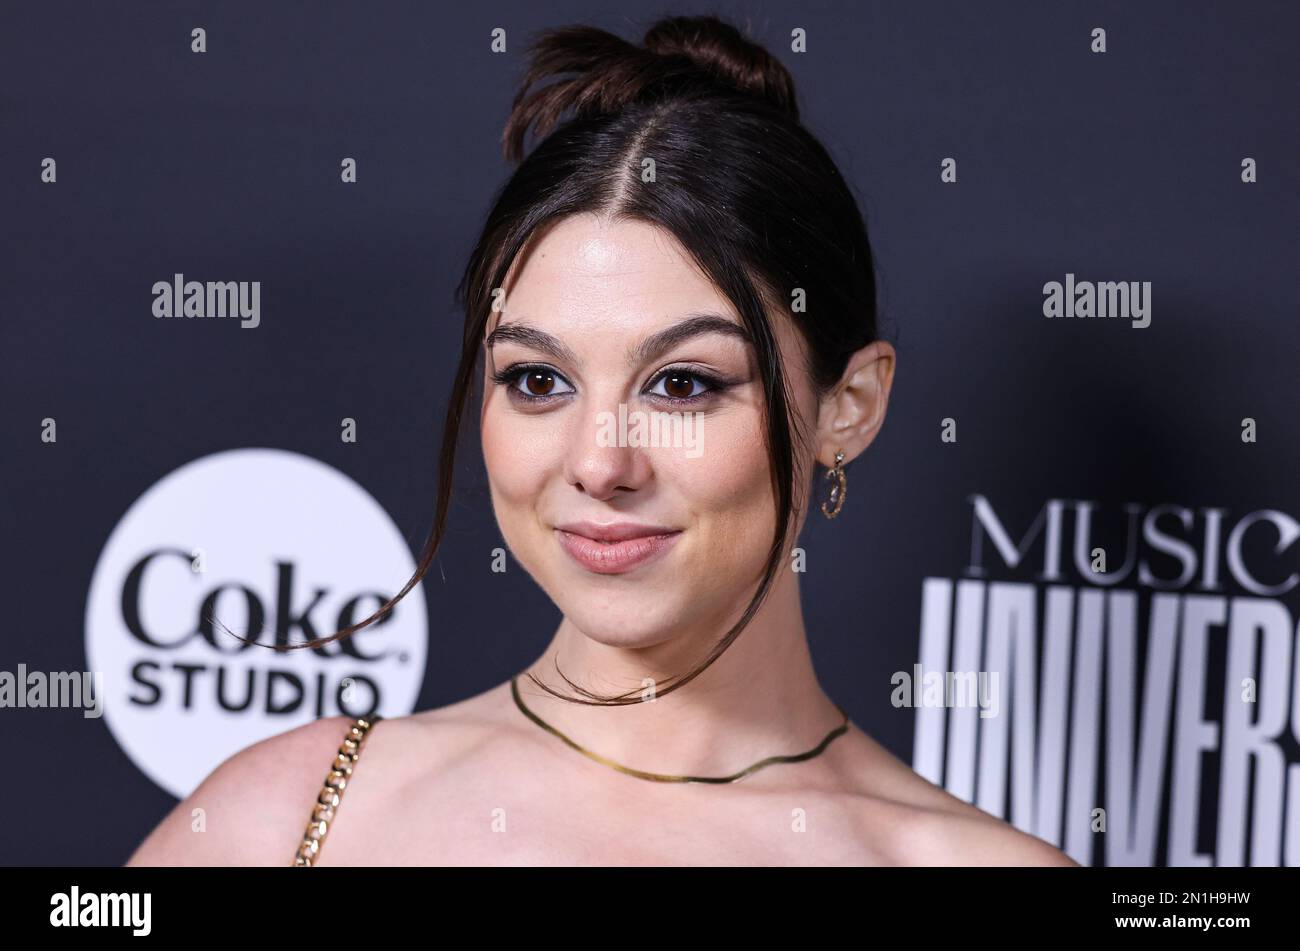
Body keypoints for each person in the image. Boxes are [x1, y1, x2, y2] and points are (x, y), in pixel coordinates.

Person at [127, 14, 1078, 867]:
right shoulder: (293, 815)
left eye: (683, 384)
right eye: (537, 381)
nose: (599, 462)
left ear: (851, 405)